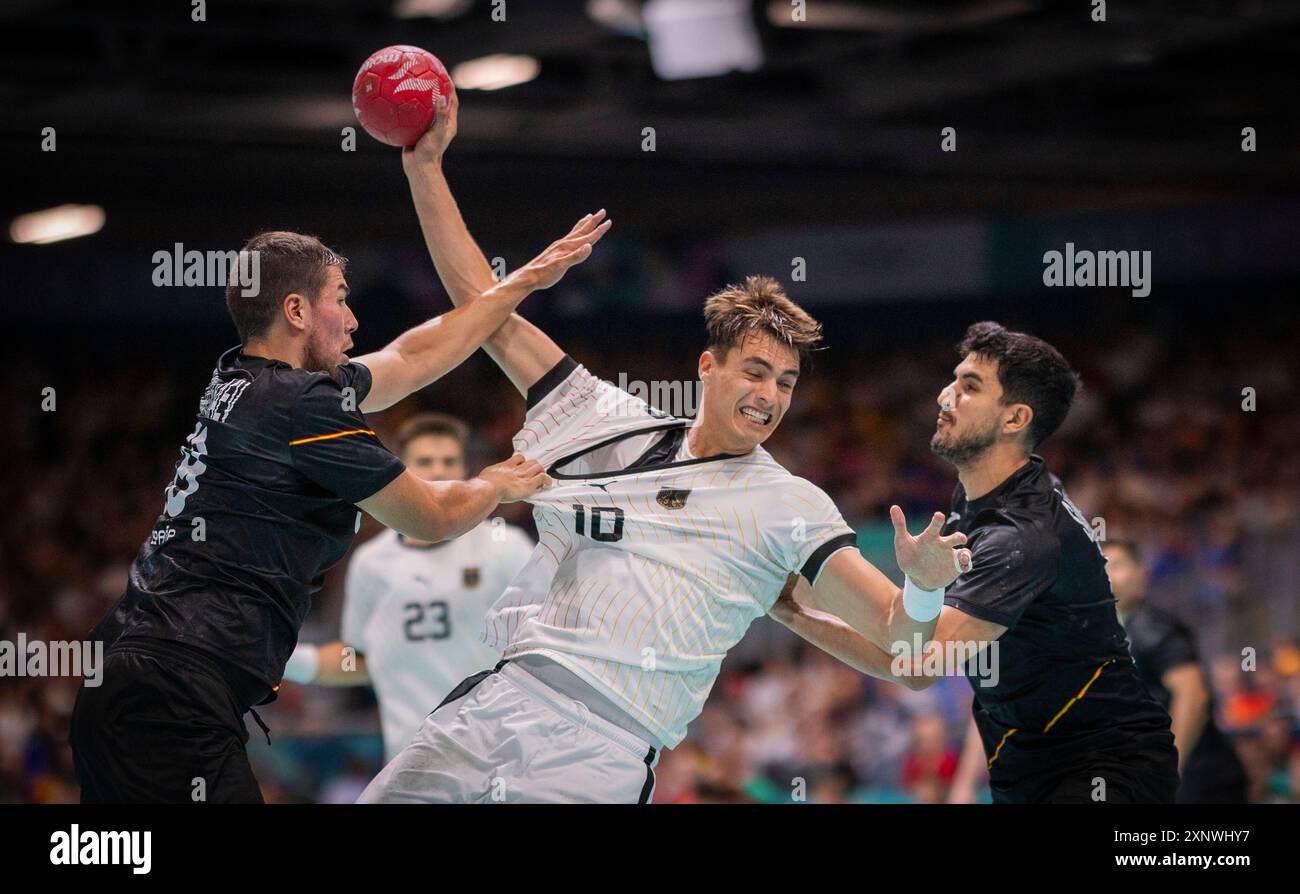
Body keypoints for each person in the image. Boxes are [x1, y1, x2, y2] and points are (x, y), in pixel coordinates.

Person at [357, 93, 972, 804]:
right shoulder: (602, 417)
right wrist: (425, 168)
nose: (770, 395)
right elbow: (481, 306)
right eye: (755, 371)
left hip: (601, 758)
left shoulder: (787, 506)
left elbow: (908, 649)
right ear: (707, 369)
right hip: (496, 701)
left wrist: (924, 587)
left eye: (787, 382)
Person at [69, 221, 600, 803]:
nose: (352, 321)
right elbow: (430, 516)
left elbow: (412, 356)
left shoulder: (244, 383)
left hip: (138, 681)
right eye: (341, 300)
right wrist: (496, 482)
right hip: (171, 694)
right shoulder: (303, 406)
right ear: (296, 310)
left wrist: (523, 281)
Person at [774, 322, 1179, 803]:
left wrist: (792, 607)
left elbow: (916, 666)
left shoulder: (1022, 539)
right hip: (1022, 763)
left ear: (1014, 419)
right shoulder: (979, 497)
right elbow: (912, 651)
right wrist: (794, 607)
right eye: (954, 379)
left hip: (1102, 765)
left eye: (970, 387)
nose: (945, 396)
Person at [283, 412, 535, 762]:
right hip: (411, 760)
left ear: (465, 470)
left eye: (449, 462)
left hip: (501, 755)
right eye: (425, 462)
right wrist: (281, 661)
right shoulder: (371, 562)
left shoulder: (506, 546)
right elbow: (359, 660)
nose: (438, 471)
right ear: (404, 472)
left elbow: (546, 643)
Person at [1103, 539, 1248, 803]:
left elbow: (1193, 696)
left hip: (1200, 778)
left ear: (1141, 573)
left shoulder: (1154, 629)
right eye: (1101, 566)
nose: (1109, 575)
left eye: (1117, 565)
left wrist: (1169, 768)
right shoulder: (1112, 633)